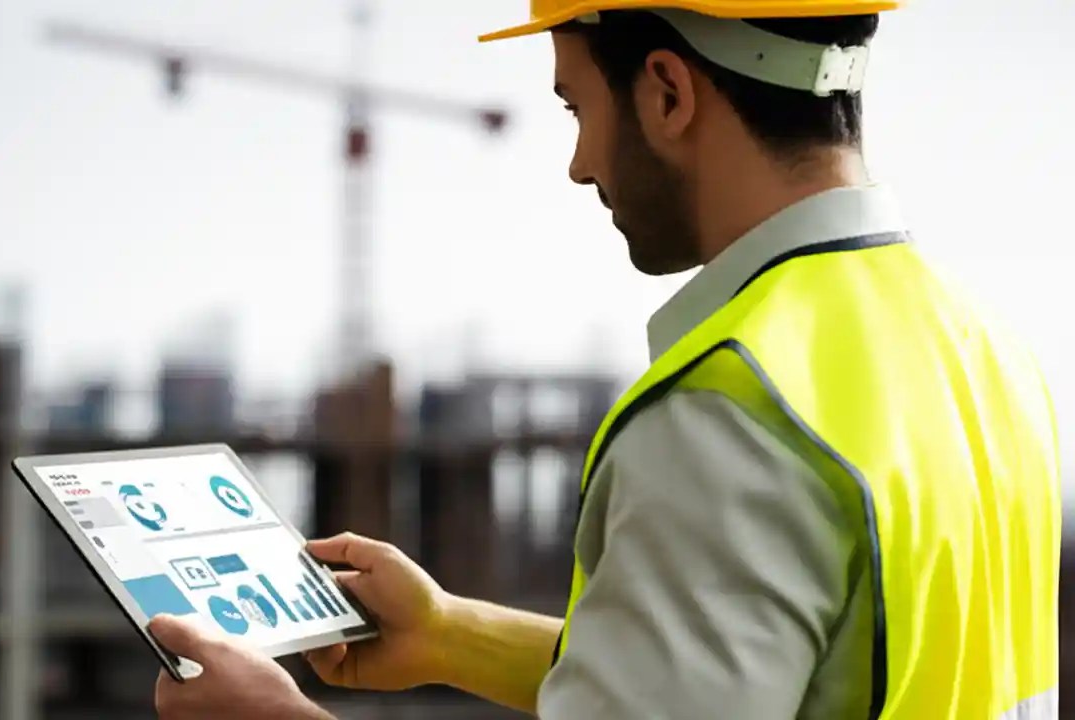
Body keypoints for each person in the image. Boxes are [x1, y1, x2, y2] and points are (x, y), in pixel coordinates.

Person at [150, 2, 1061, 718]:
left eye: (577, 108)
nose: (581, 165)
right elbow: (781, 674)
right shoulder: (990, 353)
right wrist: (447, 635)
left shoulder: (729, 415)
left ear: (667, 92)